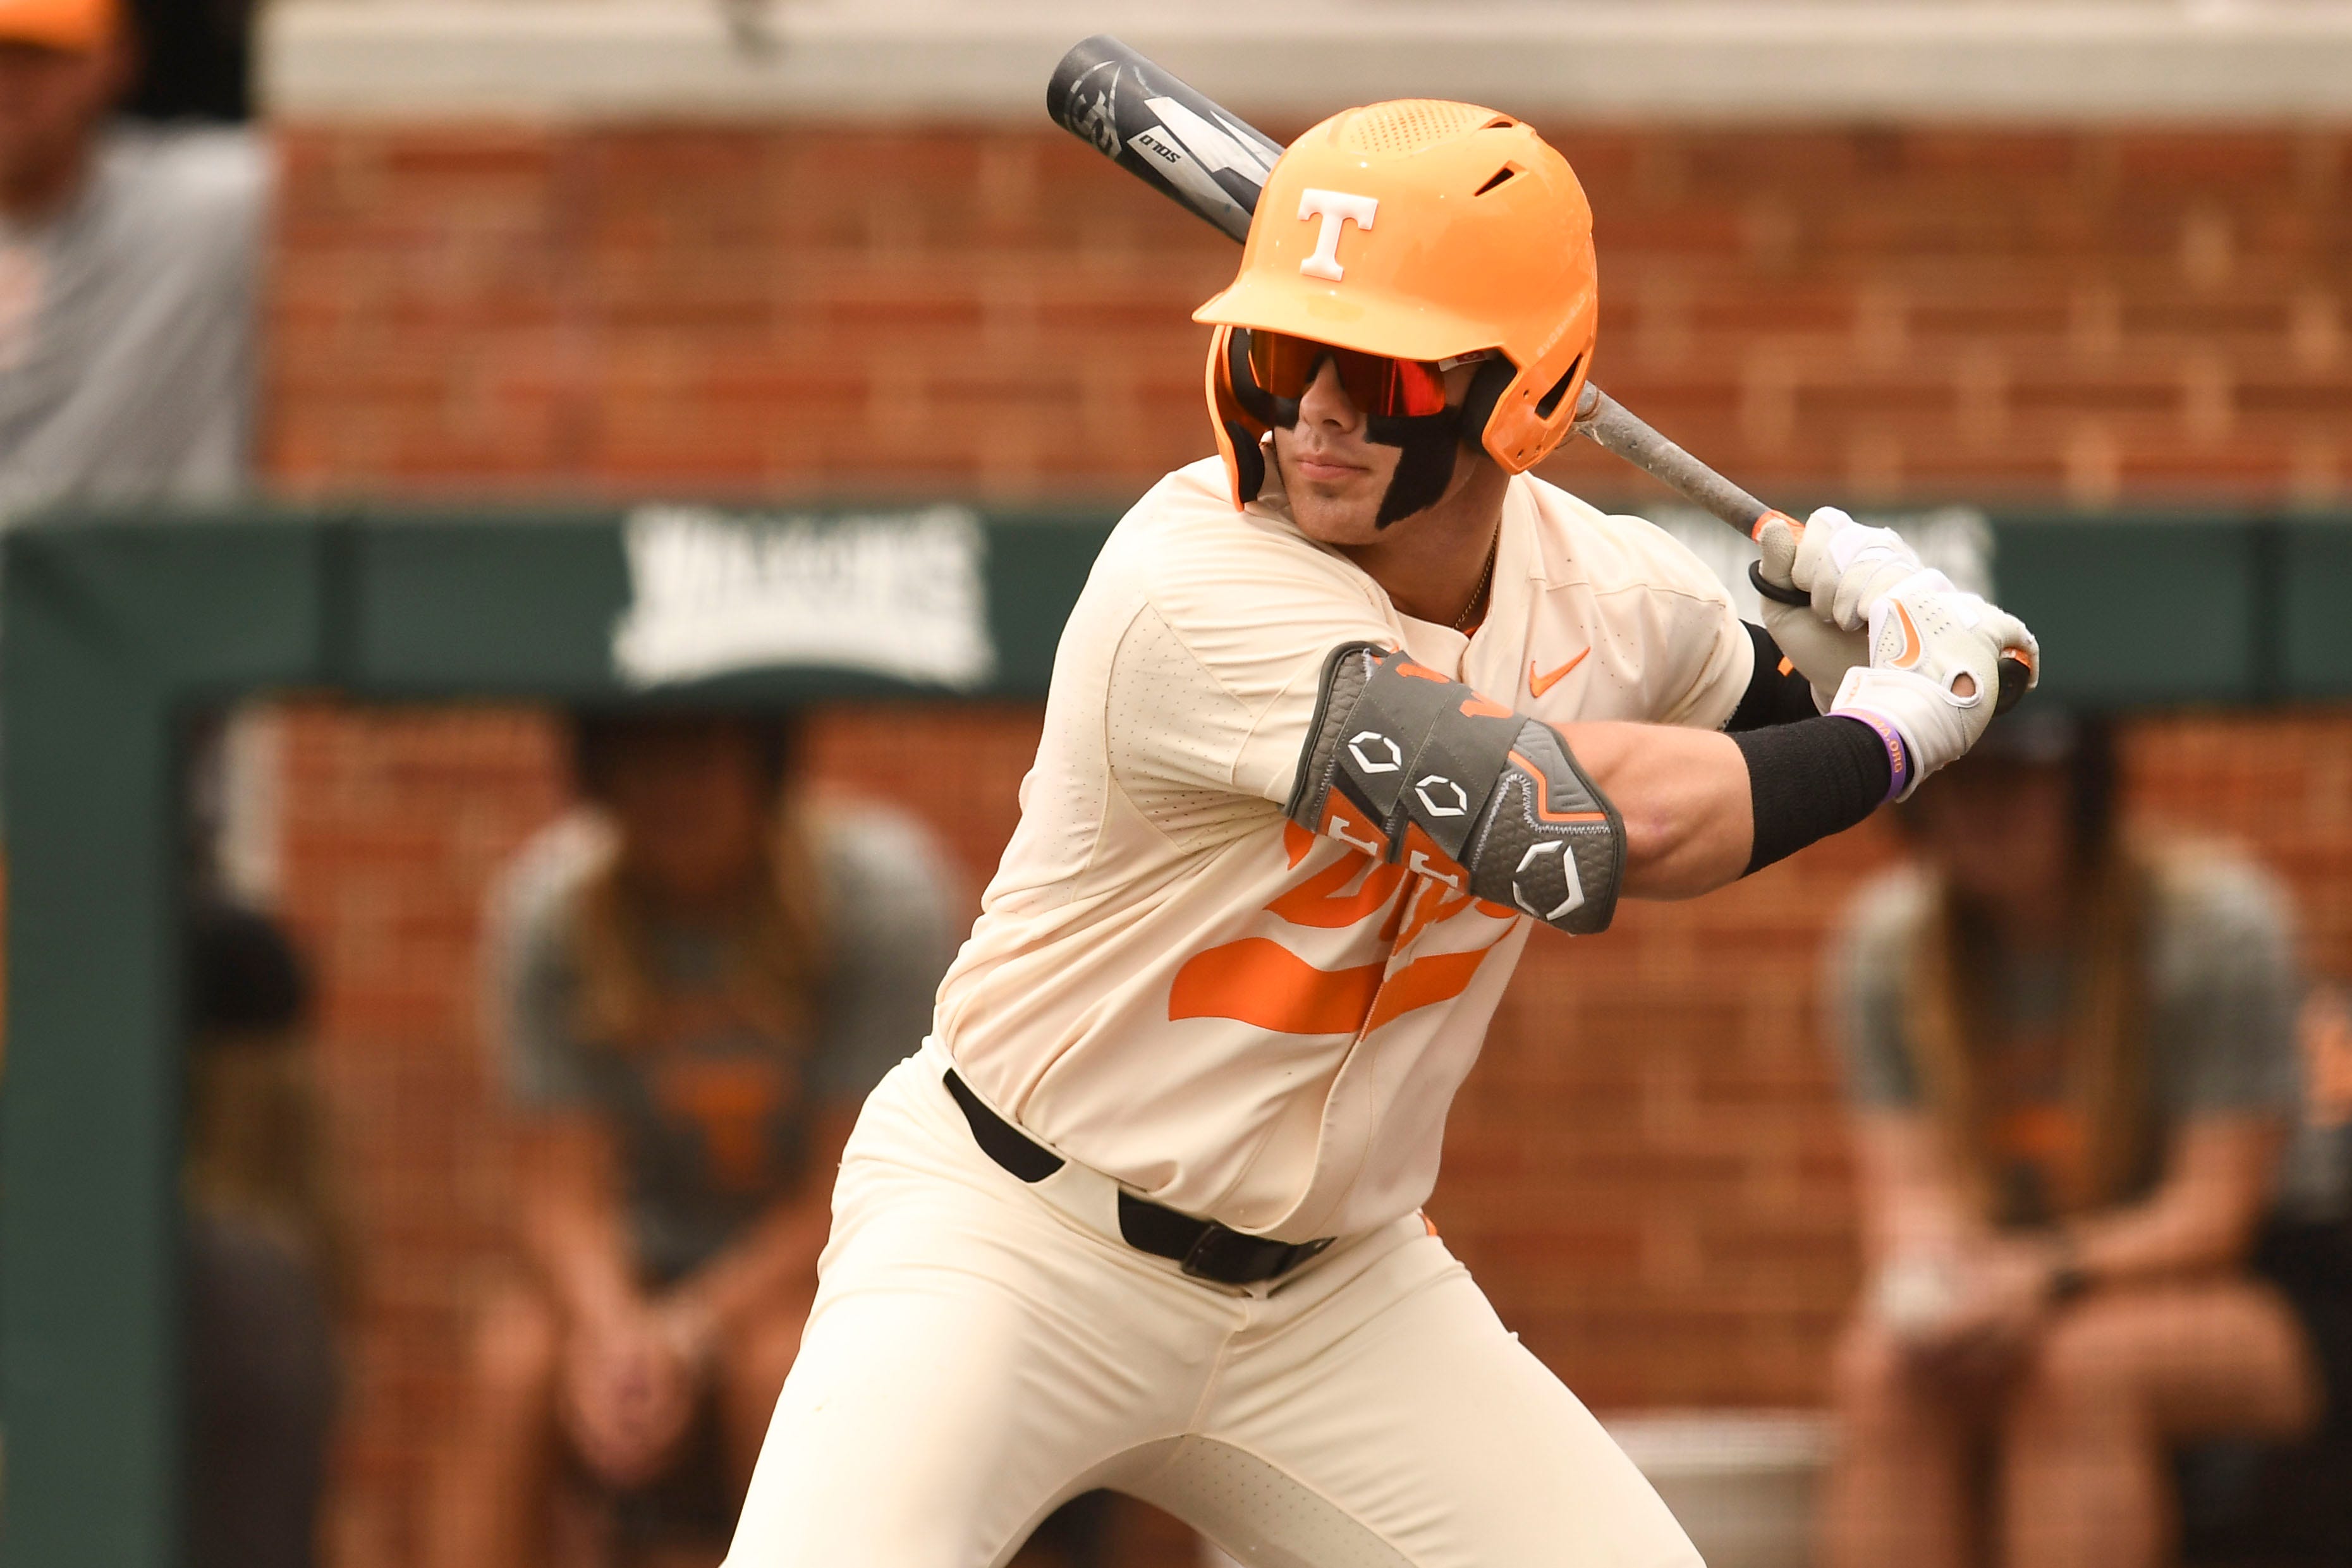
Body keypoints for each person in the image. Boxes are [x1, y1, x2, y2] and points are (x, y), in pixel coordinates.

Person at [721, 100, 2039, 1565]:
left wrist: (1854, 625)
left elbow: (1769, 740)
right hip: (1012, 1236)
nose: (1317, 414)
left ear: (1518, 397)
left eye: (1381, 368)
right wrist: (1906, 723)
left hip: (1336, 1296)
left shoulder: (1609, 593)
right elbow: (1582, 823)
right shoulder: (1191, 589)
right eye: (1283, 352)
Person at [429, 710, 960, 1567]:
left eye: (701, 757)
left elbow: (856, 1188)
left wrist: (689, 1330)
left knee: (783, 1368)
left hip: (832, 1271)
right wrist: (615, 1334)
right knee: (511, 1360)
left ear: (762, 766)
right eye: (644, 762)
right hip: (639, 1272)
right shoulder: (552, 907)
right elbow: (558, 1188)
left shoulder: (879, 899)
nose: (673, 790)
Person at [1820, 712, 2333, 1568]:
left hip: (2266, 1294)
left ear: (2082, 791)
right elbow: (1905, 1196)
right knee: (1883, 1369)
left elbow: (2214, 1214)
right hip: (2019, 1282)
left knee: (2077, 1367)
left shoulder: (2213, 926)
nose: (1984, 809)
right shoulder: (1888, 947)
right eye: (1958, 782)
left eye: (2018, 778)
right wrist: (1938, 1298)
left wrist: (2044, 1275)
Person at [0, 0, 270, 509]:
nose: (9, 84)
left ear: (113, 60)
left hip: (161, 573)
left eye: (38, 56)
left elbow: (369, 161)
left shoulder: (201, 210)